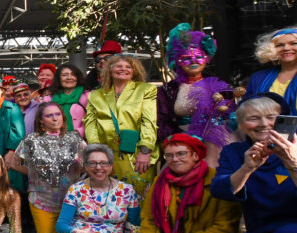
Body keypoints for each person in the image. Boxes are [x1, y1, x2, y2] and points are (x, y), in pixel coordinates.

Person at [129, 134, 247, 233]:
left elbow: (224, 228)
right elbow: (148, 218)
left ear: (196, 155)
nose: (175, 159)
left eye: (181, 153)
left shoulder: (217, 181)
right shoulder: (160, 181)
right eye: (169, 155)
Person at [211, 94, 297, 233]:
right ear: (240, 124)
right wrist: (247, 168)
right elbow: (220, 189)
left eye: (271, 117)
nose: (264, 124)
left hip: (292, 232)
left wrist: (291, 162)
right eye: (253, 118)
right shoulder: (235, 152)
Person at [18, 144, 139, 233]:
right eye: (92, 163)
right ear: (85, 166)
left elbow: (134, 225)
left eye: (103, 163)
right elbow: (61, 225)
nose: (98, 167)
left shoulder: (127, 190)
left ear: (111, 165)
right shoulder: (76, 189)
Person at [156, 23, 236, 166]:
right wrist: (185, 140)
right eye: (186, 57)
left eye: (198, 56)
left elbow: (231, 116)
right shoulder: (168, 90)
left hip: (217, 147)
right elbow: (162, 122)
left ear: (206, 58)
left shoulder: (220, 86)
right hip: (182, 148)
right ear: (177, 61)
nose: (193, 61)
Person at [84, 54, 159, 197]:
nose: (123, 69)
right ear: (109, 70)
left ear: (134, 71)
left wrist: (145, 151)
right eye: (118, 66)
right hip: (108, 156)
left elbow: (149, 121)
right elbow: (90, 123)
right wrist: (97, 152)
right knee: (112, 199)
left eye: (128, 67)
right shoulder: (96, 95)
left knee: (140, 198)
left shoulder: (146, 89)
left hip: (137, 155)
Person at [9, 102, 84, 233]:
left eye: (57, 114)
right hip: (41, 201)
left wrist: (75, 174)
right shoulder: (31, 140)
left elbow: (89, 163)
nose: (55, 118)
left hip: (71, 202)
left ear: (63, 117)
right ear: (41, 121)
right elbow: (14, 163)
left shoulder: (75, 139)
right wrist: (34, 173)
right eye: (49, 116)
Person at [245, 27, 297, 115]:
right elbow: (247, 110)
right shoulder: (258, 78)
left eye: (294, 43)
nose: (286, 48)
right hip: (264, 127)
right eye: (279, 45)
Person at [43, 63, 89, 138]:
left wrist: (78, 133)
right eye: (64, 75)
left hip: (82, 141)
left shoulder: (87, 96)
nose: (69, 77)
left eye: (73, 74)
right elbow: (43, 122)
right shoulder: (48, 99)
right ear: (59, 78)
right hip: (55, 142)